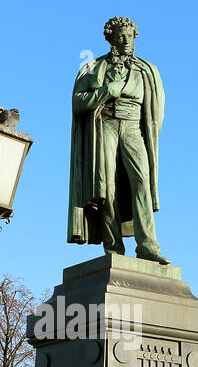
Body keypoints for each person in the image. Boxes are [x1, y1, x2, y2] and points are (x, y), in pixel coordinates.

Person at [68, 16, 169, 263]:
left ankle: (147, 246)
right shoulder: (93, 68)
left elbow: (157, 111)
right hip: (106, 125)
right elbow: (77, 102)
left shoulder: (147, 70)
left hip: (134, 127)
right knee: (107, 185)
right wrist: (105, 92)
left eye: (129, 36)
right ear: (111, 38)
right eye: (120, 36)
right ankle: (113, 247)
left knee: (142, 180)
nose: (126, 40)